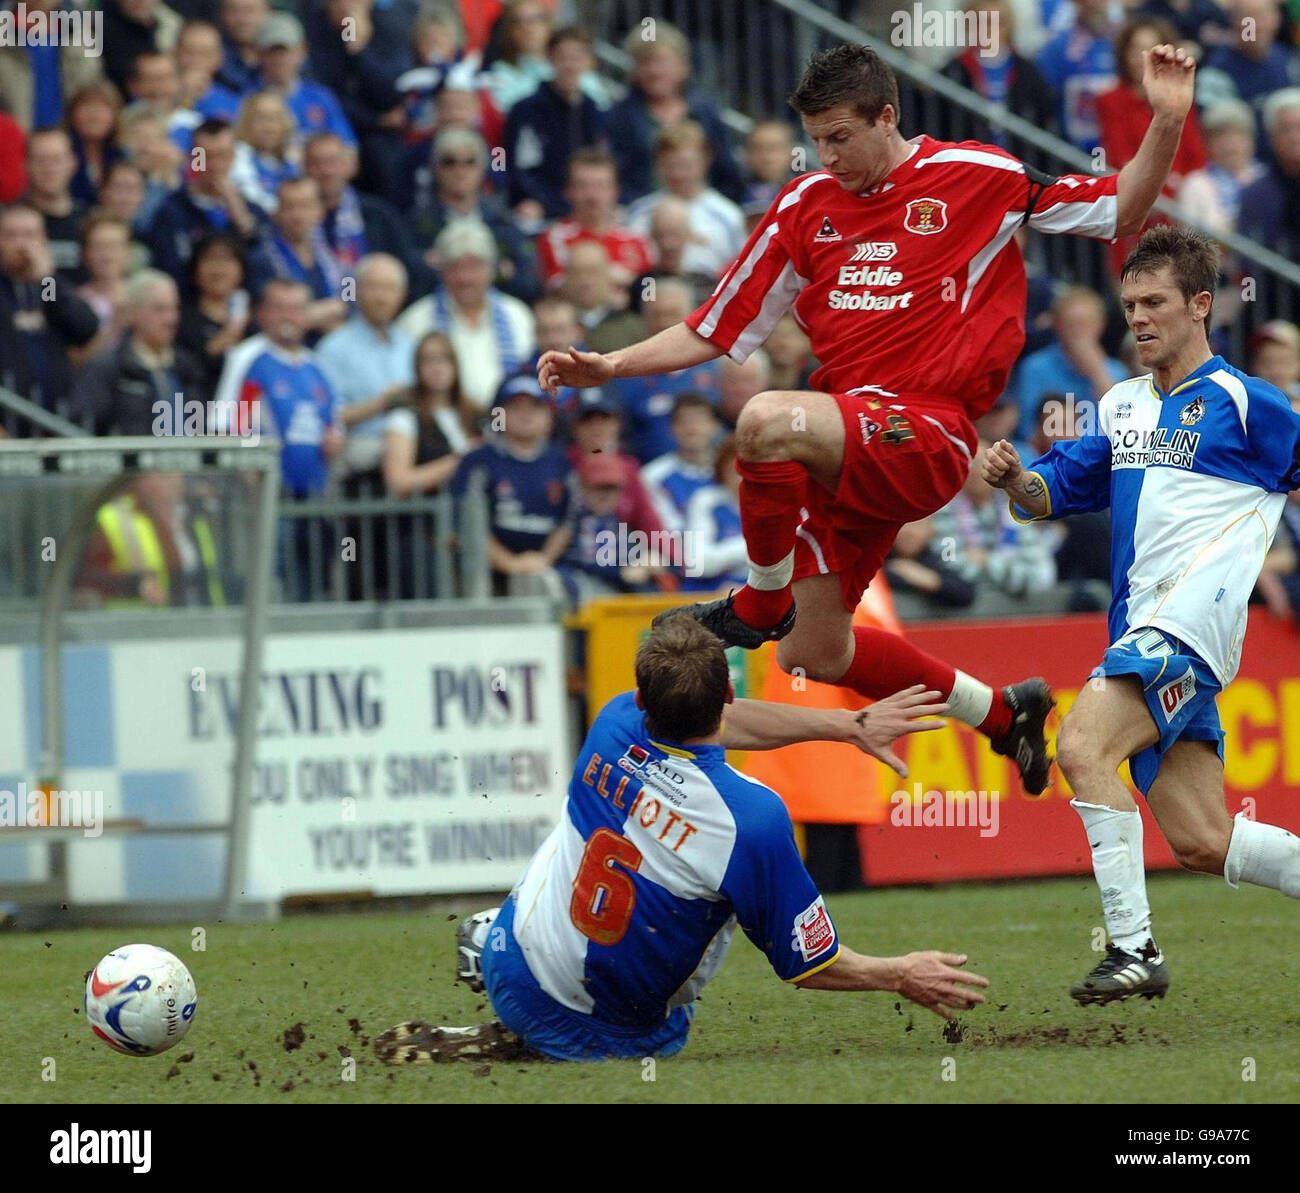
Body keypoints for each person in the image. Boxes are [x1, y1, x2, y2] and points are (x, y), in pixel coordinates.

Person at [540, 41, 1198, 795]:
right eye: (815, 140)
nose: (827, 156)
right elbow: (714, 327)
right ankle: (1002, 713)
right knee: (813, 653)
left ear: (887, 117)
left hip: (927, 433)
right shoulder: (803, 206)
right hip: (847, 448)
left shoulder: (973, 176)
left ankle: (758, 600)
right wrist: (614, 364)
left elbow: (1120, 208)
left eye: (840, 137)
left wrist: (1167, 120)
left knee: (762, 419)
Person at [375, 615, 988, 1064]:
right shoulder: (753, 819)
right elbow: (812, 964)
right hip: (609, 1032)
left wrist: (846, 726)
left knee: (571, 855)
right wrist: (902, 974)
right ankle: (547, 1039)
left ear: (643, 697)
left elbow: (723, 723)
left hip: (516, 964)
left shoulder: (614, 719)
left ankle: (494, 951)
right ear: (725, 693)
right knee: (670, 996)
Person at [983, 225, 1300, 1004]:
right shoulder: (1122, 406)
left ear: (1201, 305)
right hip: (1140, 629)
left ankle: (1132, 947)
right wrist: (1015, 476)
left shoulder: (1248, 403)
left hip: (1186, 630)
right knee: (1201, 838)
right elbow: (1049, 496)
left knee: (1083, 746)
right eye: (1130, 304)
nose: (1140, 318)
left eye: (1155, 302)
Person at [79, 269, 209, 436]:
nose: (171, 319)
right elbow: (84, 427)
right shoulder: (108, 368)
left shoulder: (187, 366)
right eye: (160, 309)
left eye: (174, 308)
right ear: (132, 312)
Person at [502, 26, 608, 223]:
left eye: (577, 57)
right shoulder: (526, 110)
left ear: (589, 62)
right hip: (540, 210)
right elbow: (512, 166)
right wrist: (534, 201)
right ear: (549, 58)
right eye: (563, 56)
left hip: (587, 210)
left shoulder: (596, 112)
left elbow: (605, 161)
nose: (570, 65)